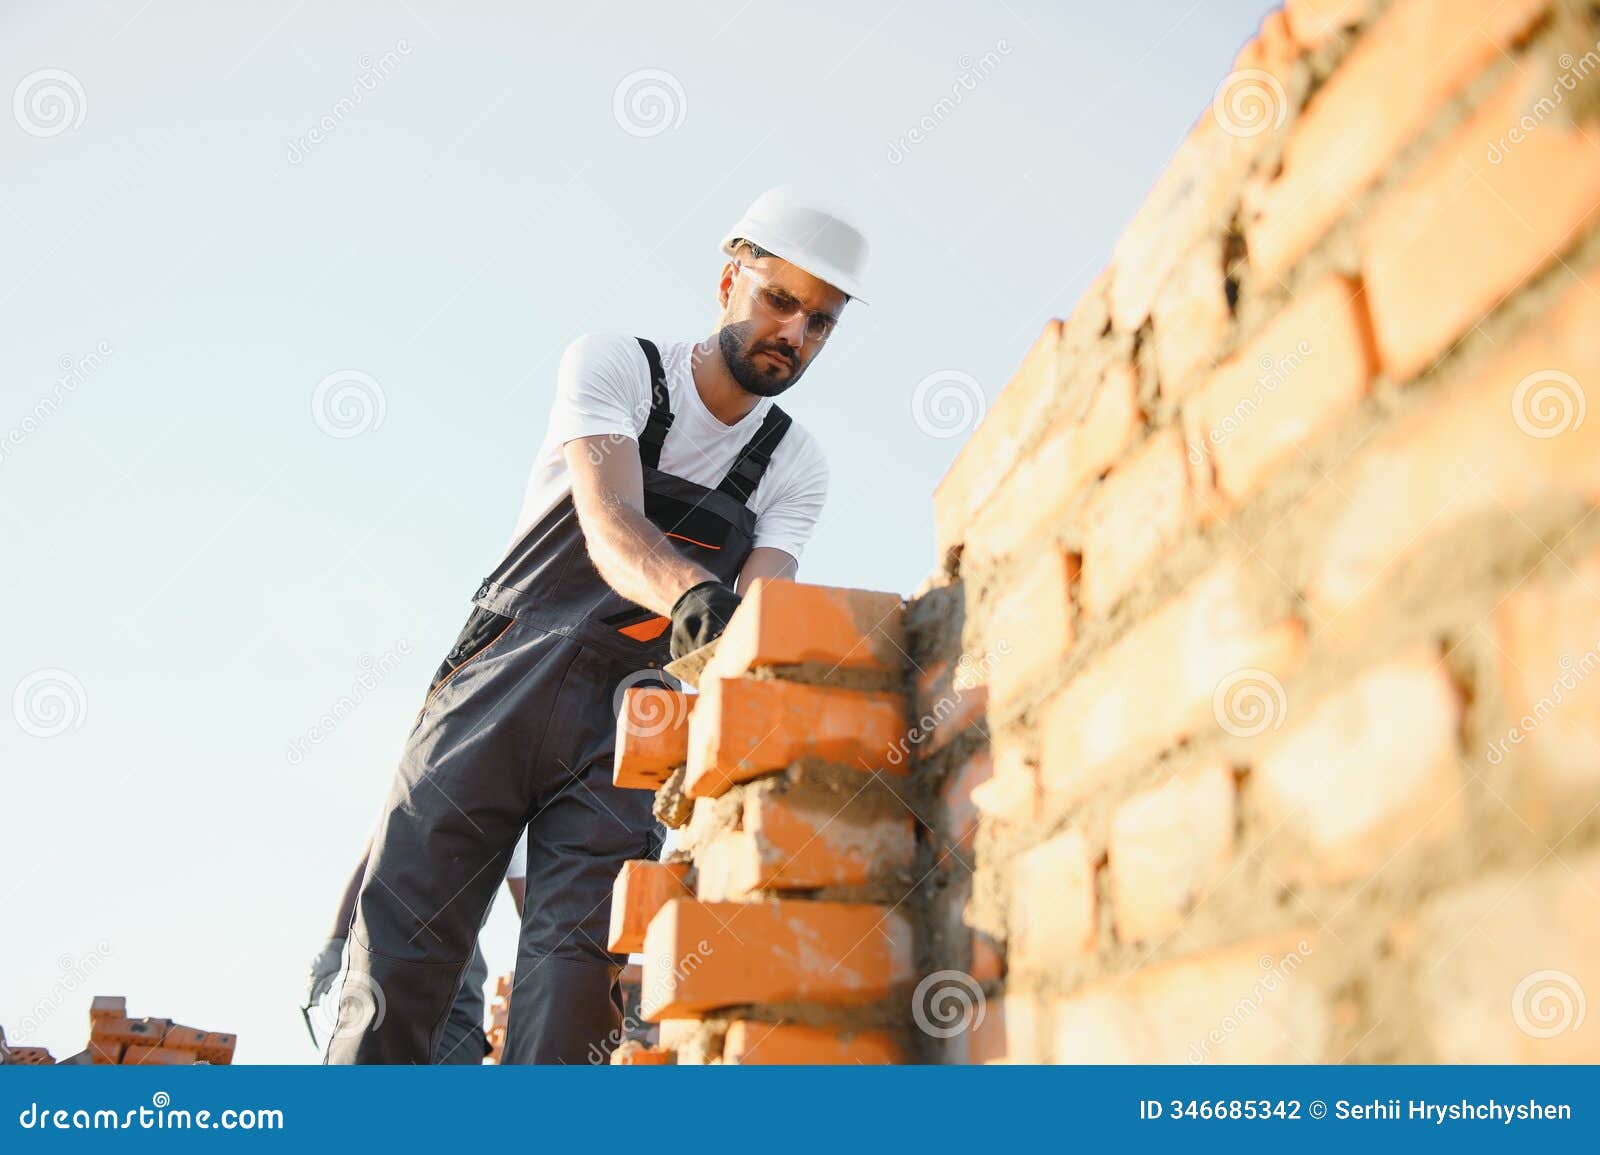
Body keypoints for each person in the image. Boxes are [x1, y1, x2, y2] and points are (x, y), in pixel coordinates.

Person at [324, 187, 869, 1065]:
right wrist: (695, 595)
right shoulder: (617, 365)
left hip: (627, 735)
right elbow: (611, 520)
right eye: (779, 300)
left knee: (575, 986)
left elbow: (763, 608)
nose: (794, 335)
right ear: (731, 278)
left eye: (820, 321)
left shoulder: (793, 461)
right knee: (401, 965)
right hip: (500, 684)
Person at [306, 830, 528, 1063]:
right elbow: (372, 860)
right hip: (388, 966)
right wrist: (335, 942)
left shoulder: (516, 820)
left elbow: (531, 911)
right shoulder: (416, 796)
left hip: (458, 983)